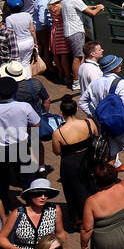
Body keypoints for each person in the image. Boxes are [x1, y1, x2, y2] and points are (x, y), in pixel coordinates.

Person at [0, 78, 41, 210]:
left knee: (1, 180)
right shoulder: (24, 107)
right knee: (26, 178)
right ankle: (32, 205)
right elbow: (36, 124)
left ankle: (4, 206)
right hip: (20, 146)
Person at [50, 96, 97, 231]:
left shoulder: (58, 133)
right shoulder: (89, 123)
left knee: (74, 193)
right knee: (90, 187)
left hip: (70, 165)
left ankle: (79, 219)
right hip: (88, 160)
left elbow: (57, 152)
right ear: (76, 109)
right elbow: (95, 137)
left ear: (61, 113)